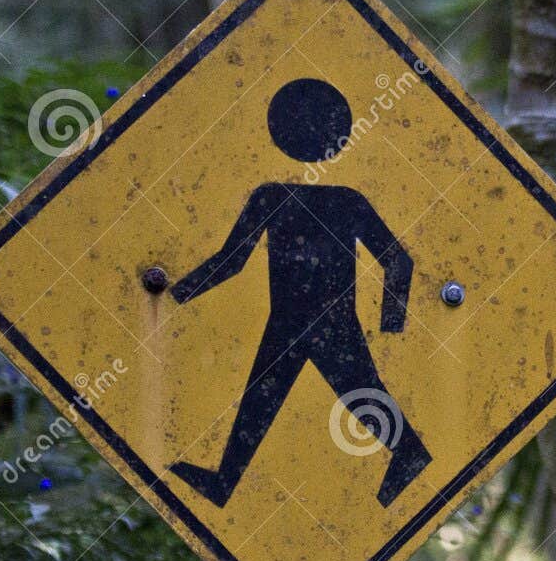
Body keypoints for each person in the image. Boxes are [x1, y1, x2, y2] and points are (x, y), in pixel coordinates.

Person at [166, 78, 431, 507]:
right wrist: (174, 297)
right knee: (267, 398)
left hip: (323, 323)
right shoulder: (342, 199)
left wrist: (177, 296)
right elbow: (398, 261)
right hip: (299, 320)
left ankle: (410, 453)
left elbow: (231, 261)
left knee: (357, 397)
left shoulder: (280, 197)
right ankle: (224, 483)